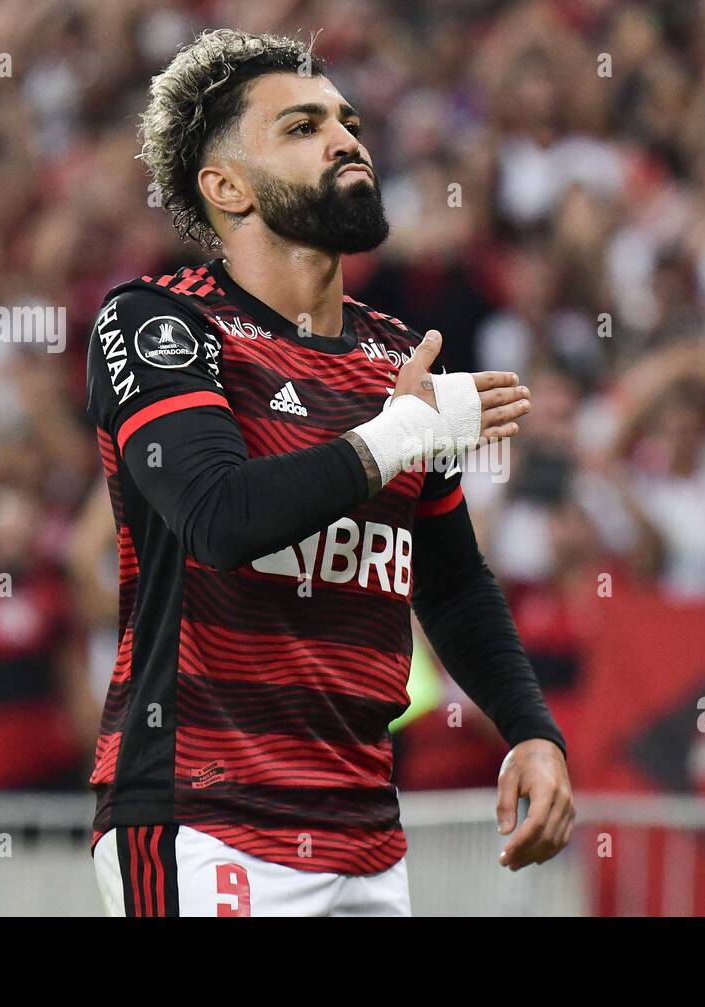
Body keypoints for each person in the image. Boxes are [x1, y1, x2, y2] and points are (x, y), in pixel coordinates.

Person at [85, 29, 572, 917]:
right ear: (226, 186)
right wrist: (401, 434)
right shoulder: (161, 323)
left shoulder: (394, 356)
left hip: (367, 838)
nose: (347, 139)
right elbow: (219, 516)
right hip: (204, 821)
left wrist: (533, 730)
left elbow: (454, 582)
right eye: (302, 126)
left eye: (349, 120)